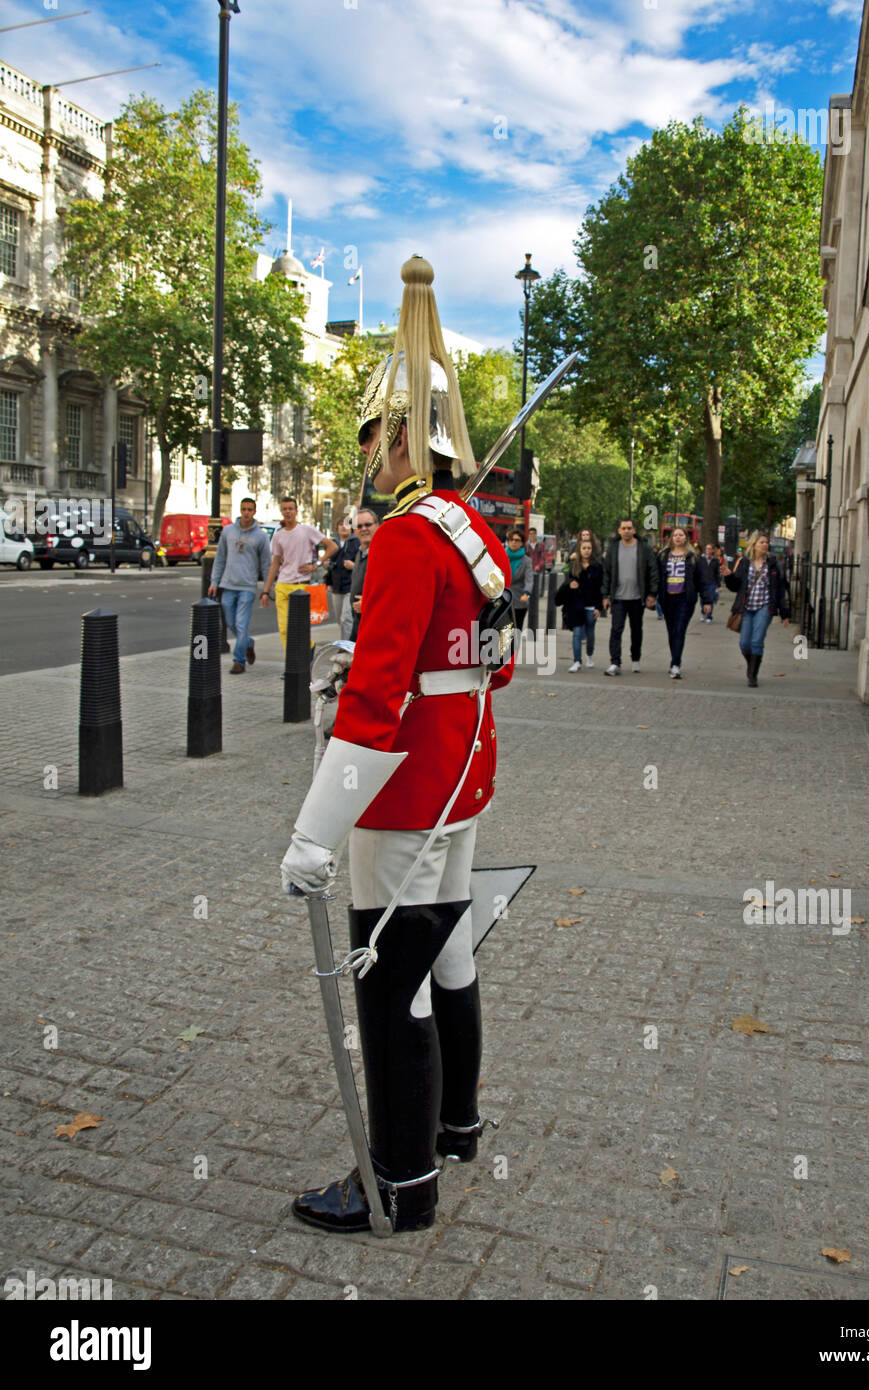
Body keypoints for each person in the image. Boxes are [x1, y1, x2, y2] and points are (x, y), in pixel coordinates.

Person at [280, 254, 516, 1235]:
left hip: (406, 787)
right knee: (450, 960)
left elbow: (374, 704)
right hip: (465, 772)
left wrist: (311, 834)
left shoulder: (409, 539)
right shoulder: (473, 532)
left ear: (407, 440)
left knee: (392, 985)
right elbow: (491, 664)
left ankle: (399, 1183)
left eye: (375, 438)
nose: (367, 455)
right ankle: (457, 1127)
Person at [261, 498, 336, 649]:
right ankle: (290, 666)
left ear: (296, 511)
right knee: (284, 629)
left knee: (299, 629)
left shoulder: (306, 530)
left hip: (301, 586)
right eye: (284, 509)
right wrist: (265, 591)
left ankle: (309, 649)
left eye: (290, 509)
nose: (287, 512)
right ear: (281, 511)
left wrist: (316, 564)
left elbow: (332, 546)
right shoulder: (278, 535)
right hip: (282, 585)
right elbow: (275, 564)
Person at [208, 497, 271, 674]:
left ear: (254, 512)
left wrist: (266, 590)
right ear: (240, 510)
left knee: (241, 624)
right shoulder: (228, 532)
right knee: (230, 623)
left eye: (250, 510)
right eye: (243, 509)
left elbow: (266, 564)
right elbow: (220, 558)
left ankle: (239, 661)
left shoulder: (261, 536)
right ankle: (248, 643)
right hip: (228, 584)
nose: (246, 513)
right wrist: (214, 581)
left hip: (247, 586)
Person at [724, 530, 791, 687]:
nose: (765, 545)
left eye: (766, 542)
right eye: (761, 542)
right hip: (746, 608)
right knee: (744, 643)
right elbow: (735, 587)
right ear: (754, 545)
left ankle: (752, 675)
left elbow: (780, 590)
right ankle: (752, 664)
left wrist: (785, 613)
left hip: (764, 607)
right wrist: (728, 576)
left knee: (756, 641)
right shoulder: (745, 563)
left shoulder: (773, 564)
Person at [601, 517, 659, 674]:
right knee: (616, 630)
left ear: (634, 530)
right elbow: (606, 573)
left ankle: (635, 658)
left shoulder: (643, 548)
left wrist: (652, 593)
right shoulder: (613, 549)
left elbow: (653, 571)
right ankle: (615, 662)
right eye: (623, 528)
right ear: (619, 531)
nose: (626, 531)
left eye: (629, 528)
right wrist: (605, 595)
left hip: (637, 598)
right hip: (618, 597)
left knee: (636, 630)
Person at [658, 527, 711, 679]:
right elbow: (657, 577)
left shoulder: (693, 557)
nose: (678, 537)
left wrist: (706, 601)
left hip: (685, 599)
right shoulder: (663, 555)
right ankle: (674, 661)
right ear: (671, 538)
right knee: (671, 631)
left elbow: (702, 581)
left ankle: (676, 665)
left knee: (680, 630)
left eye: (681, 535)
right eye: (675, 535)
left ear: (686, 538)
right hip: (668, 598)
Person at [555, 535, 603, 670]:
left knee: (590, 633)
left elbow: (601, 588)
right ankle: (577, 661)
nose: (586, 550)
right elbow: (567, 581)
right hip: (576, 605)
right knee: (576, 633)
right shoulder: (574, 566)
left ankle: (589, 655)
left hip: (591, 605)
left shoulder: (597, 567)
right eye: (584, 548)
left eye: (589, 548)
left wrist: (599, 607)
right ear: (579, 550)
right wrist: (570, 584)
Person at [348, 508, 378, 641]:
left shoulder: (383, 552)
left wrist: (368, 603)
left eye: (368, 524)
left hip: (374, 624)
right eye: (359, 526)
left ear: (377, 525)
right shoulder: (360, 553)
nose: (363, 529)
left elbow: (394, 589)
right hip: (359, 622)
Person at [326, 517, 359, 640]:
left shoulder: (357, 543)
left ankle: (346, 648)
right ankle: (348, 641)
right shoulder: (332, 543)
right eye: (341, 524)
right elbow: (329, 562)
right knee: (340, 619)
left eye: (347, 524)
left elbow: (364, 564)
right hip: (336, 586)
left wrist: (353, 566)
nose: (344, 527)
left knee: (346, 618)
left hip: (350, 586)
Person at [505, 528, 534, 630]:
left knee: (516, 630)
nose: (513, 542)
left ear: (522, 543)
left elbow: (529, 580)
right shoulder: (502, 556)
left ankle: (514, 646)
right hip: (502, 600)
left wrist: (526, 593)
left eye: (517, 540)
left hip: (519, 600)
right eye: (511, 539)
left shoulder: (527, 561)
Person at [695, 543, 721, 624]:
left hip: (712, 583)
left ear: (713, 550)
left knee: (711, 599)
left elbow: (717, 573)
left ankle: (709, 615)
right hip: (702, 583)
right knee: (703, 600)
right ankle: (703, 612)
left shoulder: (715, 561)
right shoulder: (700, 560)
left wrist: (718, 585)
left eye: (710, 549)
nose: (708, 550)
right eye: (707, 549)